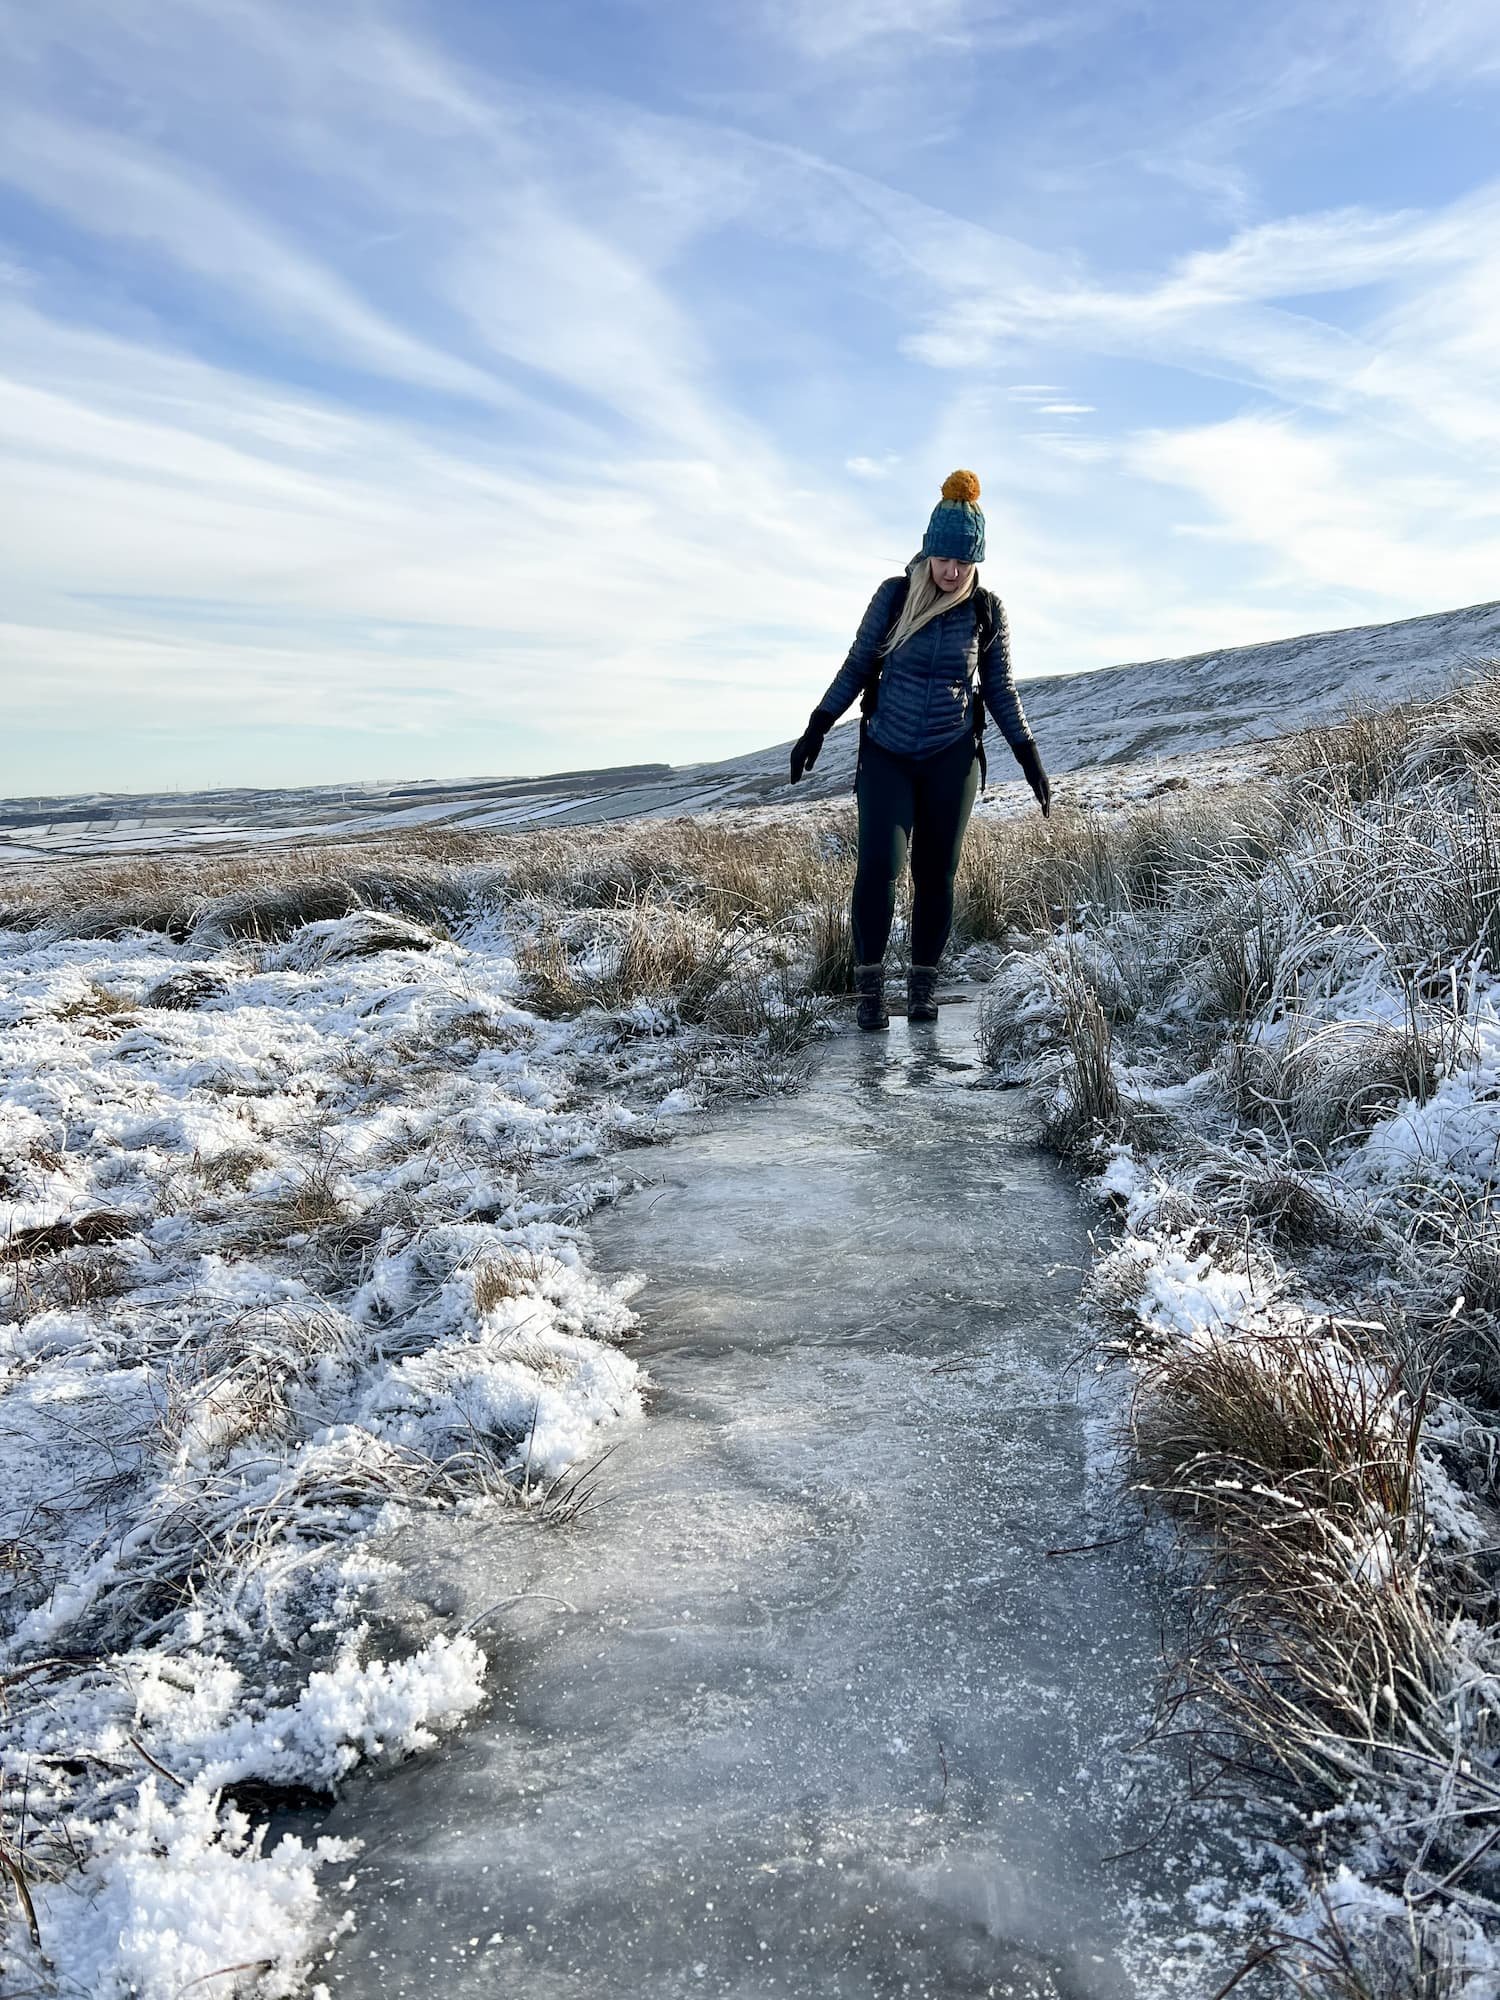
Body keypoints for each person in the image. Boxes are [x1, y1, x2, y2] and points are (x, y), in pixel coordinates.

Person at [787, 469, 1051, 1031]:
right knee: (879, 867)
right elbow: (857, 665)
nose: (952, 572)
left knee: (936, 874)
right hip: (887, 752)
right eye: (944, 559)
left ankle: (924, 988)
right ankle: (869, 990)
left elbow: (1000, 690)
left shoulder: (985, 611)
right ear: (928, 551)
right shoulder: (894, 597)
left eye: (964, 562)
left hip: (950, 756)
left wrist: (1028, 756)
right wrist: (818, 725)